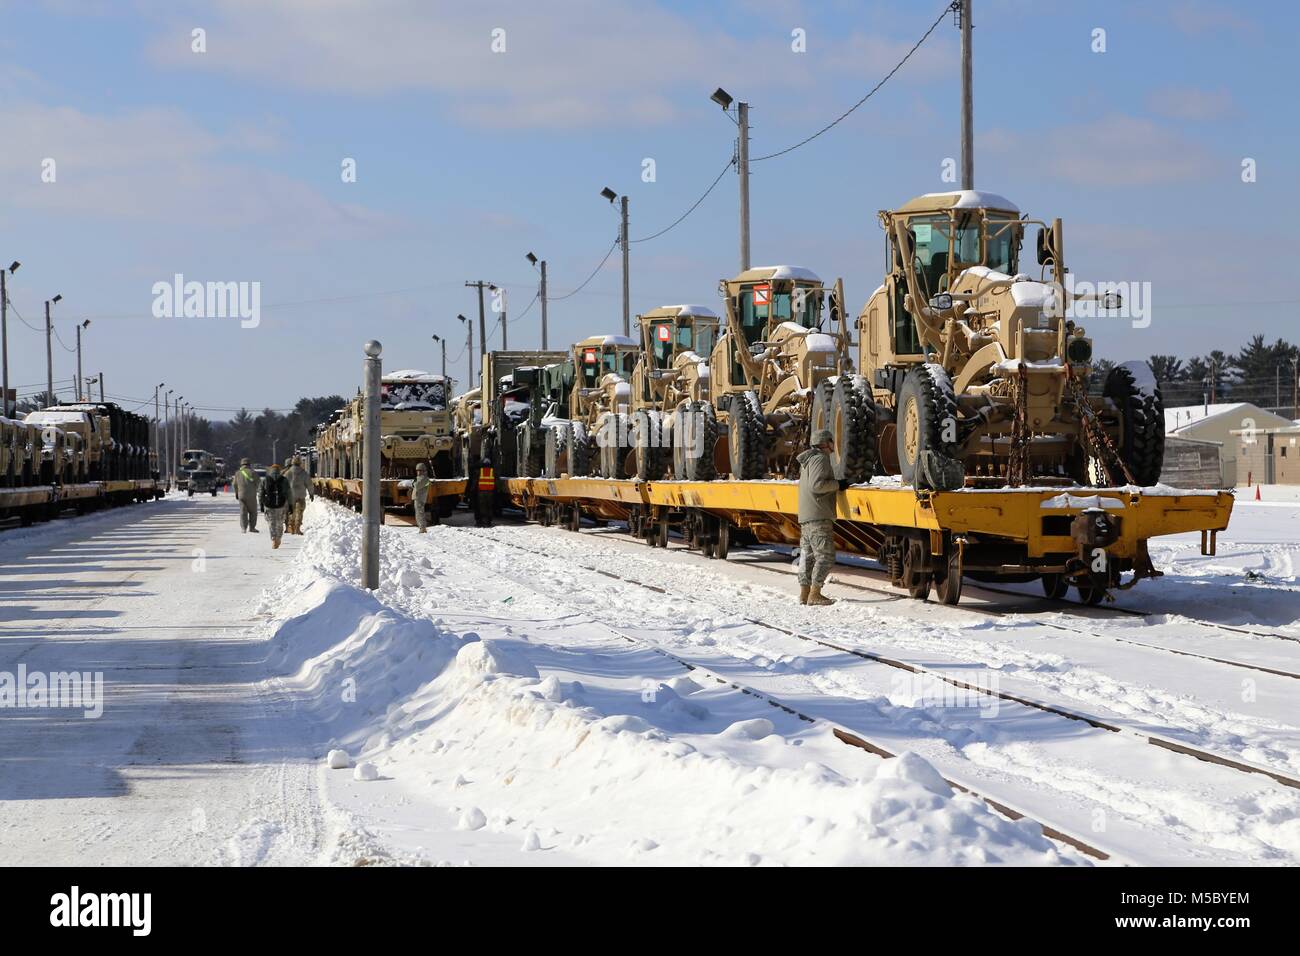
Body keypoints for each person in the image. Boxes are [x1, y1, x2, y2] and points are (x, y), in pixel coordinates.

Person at [795, 429, 847, 606]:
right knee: (826, 556)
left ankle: (804, 593)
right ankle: (815, 593)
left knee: (807, 557)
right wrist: (839, 484)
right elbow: (817, 485)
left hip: (807, 516)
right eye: (832, 441)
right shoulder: (820, 459)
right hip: (818, 516)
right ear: (826, 443)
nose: (834, 445)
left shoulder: (807, 462)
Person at [259, 462, 292, 549]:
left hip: (269, 505)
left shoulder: (265, 480)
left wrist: (261, 505)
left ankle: (273, 539)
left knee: (271, 523)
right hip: (281, 504)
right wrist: (291, 505)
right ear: (279, 470)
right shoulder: (284, 480)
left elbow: (261, 493)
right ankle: (279, 538)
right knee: (280, 522)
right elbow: (289, 494)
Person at [233, 458, 260, 533]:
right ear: (249, 464)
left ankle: (243, 528)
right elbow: (259, 484)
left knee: (243, 512)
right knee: (253, 512)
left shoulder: (237, 473)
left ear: (241, 464)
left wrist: (236, 493)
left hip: (241, 495)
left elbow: (234, 484)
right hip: (251, 495)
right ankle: (252, 528)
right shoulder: (253, 472)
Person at [284, 456, 310, 535]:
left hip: (291, 496)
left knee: (291, 512)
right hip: (301, 495)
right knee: (300, 512)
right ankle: (297, 528)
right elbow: (309, 484)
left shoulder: (288, 473)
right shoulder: (304, 472)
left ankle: (291, 527)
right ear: (300, 463)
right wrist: (311, 493)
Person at [412, 462, 431, 533]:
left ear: (424, 471)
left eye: (420, 470)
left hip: (420, 498)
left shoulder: (425, 479)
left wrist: (414, 482)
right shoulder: (419, 478)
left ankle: (423, 528)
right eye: (417, 470)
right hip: (417, 498)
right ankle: (420, 527)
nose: (418, 472)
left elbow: (417, 486)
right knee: (418, 513)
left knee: (420, 513)